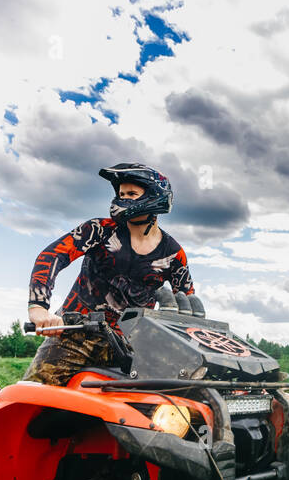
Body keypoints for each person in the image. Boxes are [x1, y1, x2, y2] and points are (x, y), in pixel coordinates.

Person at [23, 163, 195, 385]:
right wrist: (38, 308)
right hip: (74, 333)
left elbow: (187, 303)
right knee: (33, 394)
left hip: (128, 346)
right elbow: (52, 256)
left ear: (154, 198)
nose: (123, 198)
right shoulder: (99, 229)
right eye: (121, 193)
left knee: (156, 405)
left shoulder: (173, 253)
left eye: (131, 193)